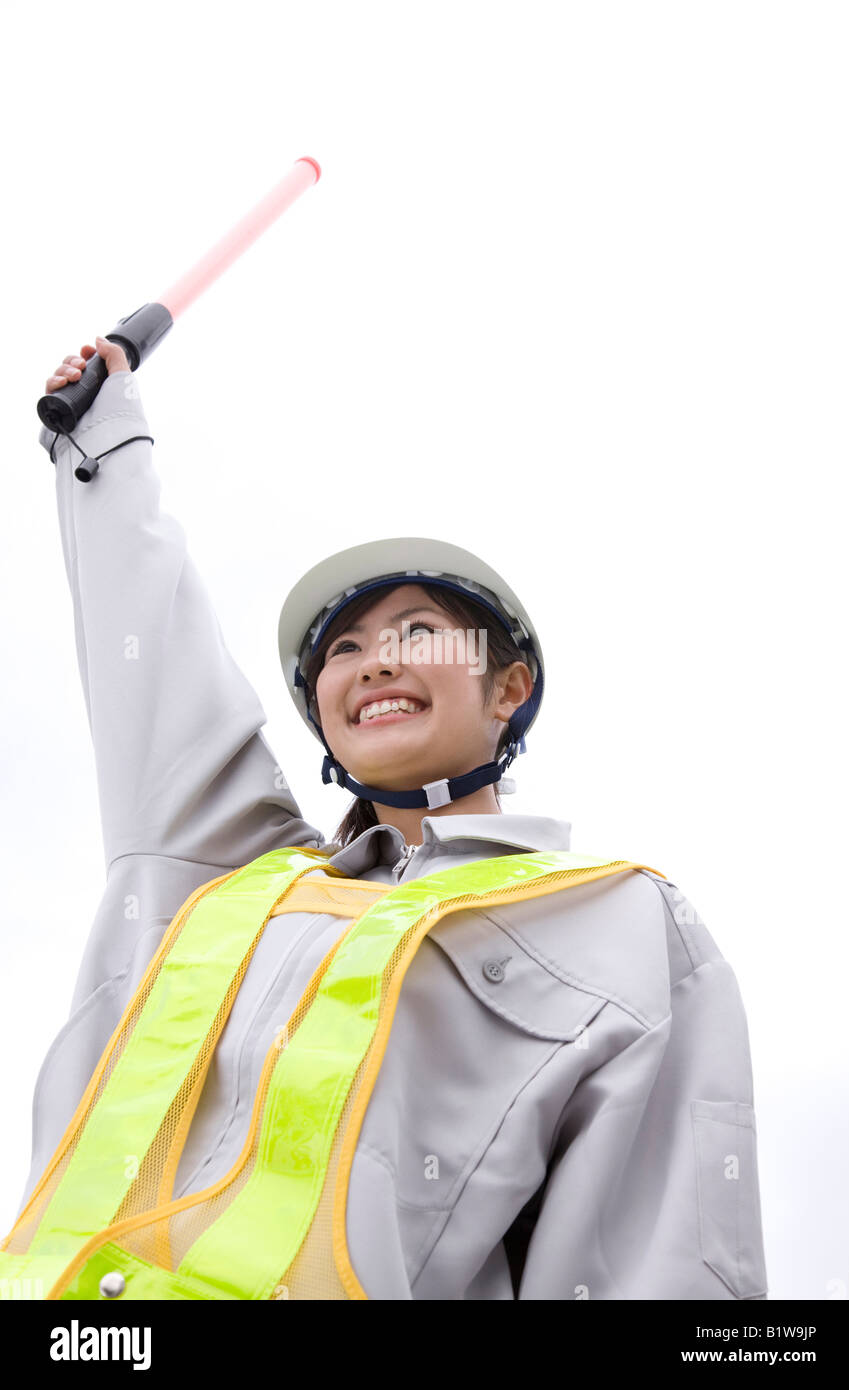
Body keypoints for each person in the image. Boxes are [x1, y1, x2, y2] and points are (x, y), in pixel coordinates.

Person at [3, 339, 769, 1300]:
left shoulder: (621, 921)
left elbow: (664, 1252)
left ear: (509, 689)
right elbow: (154, 657)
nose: (373, 661)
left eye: (419, 632)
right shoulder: (225, 873)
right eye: (345, 649)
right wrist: (105, 444)